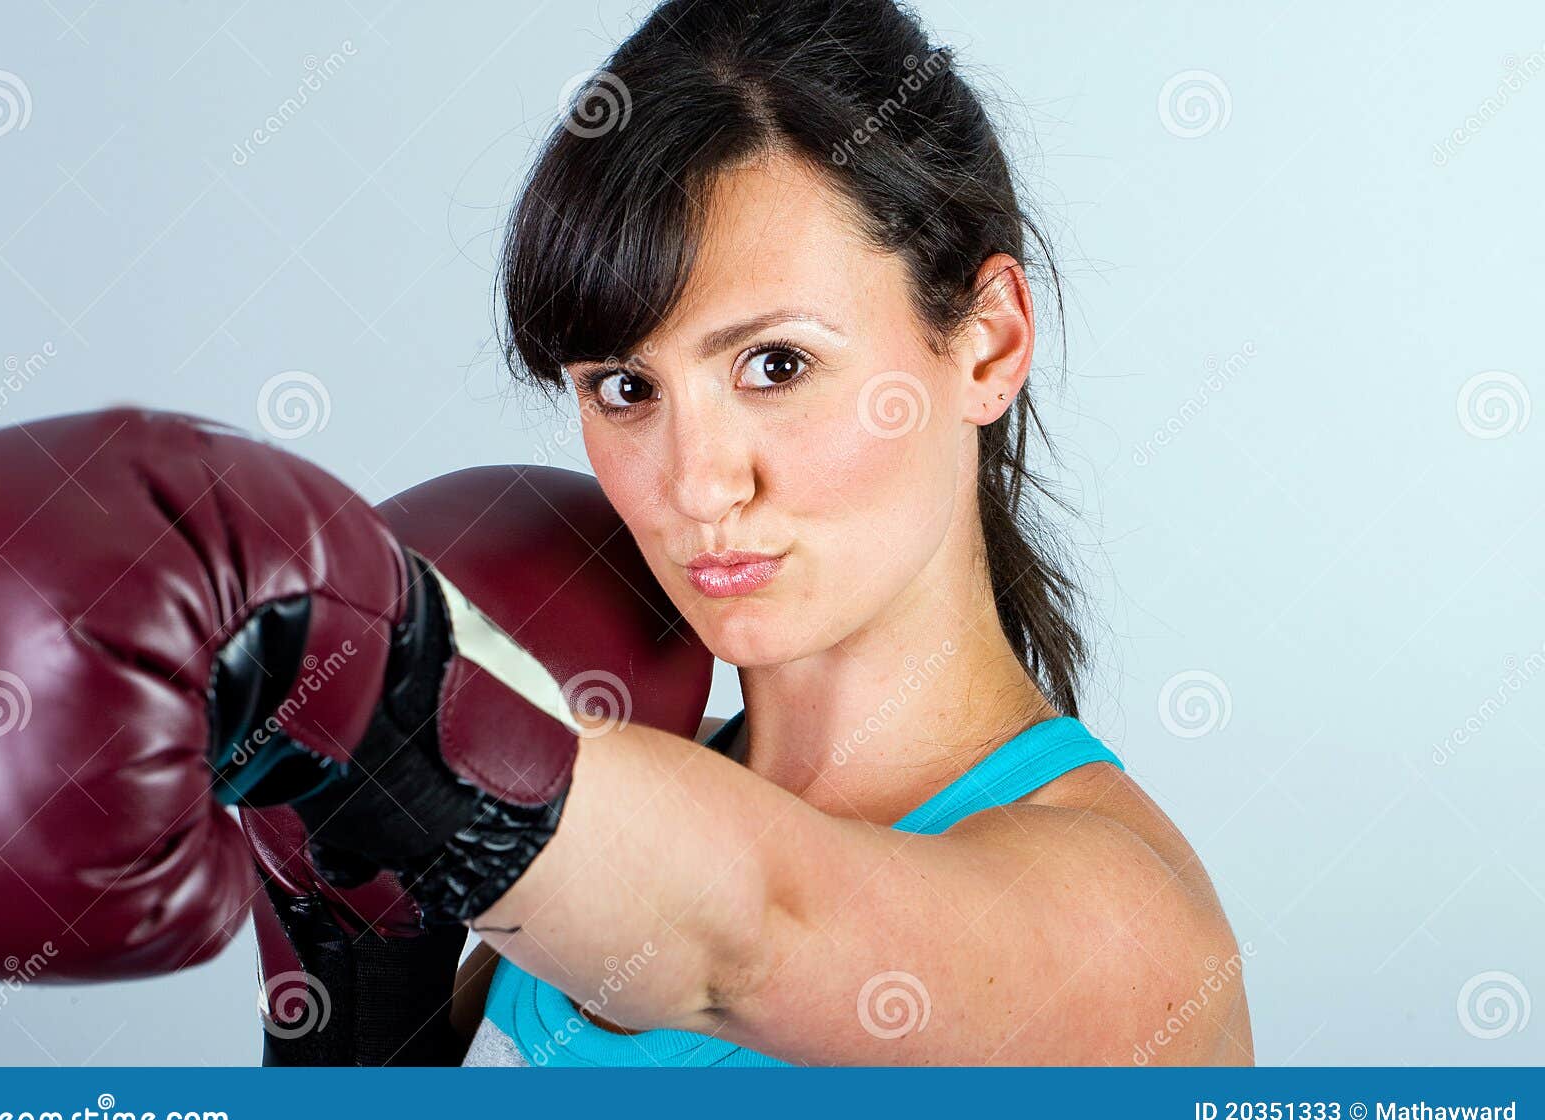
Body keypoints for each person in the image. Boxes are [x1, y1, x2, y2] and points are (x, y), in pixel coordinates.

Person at [451, 0, 1253, 1065]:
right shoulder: (599, 828)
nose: (697, 483)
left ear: (985, 343)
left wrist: (403, 714)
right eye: (626, 386)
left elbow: (753, 942)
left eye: (775, 364)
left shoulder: (1123, 916)